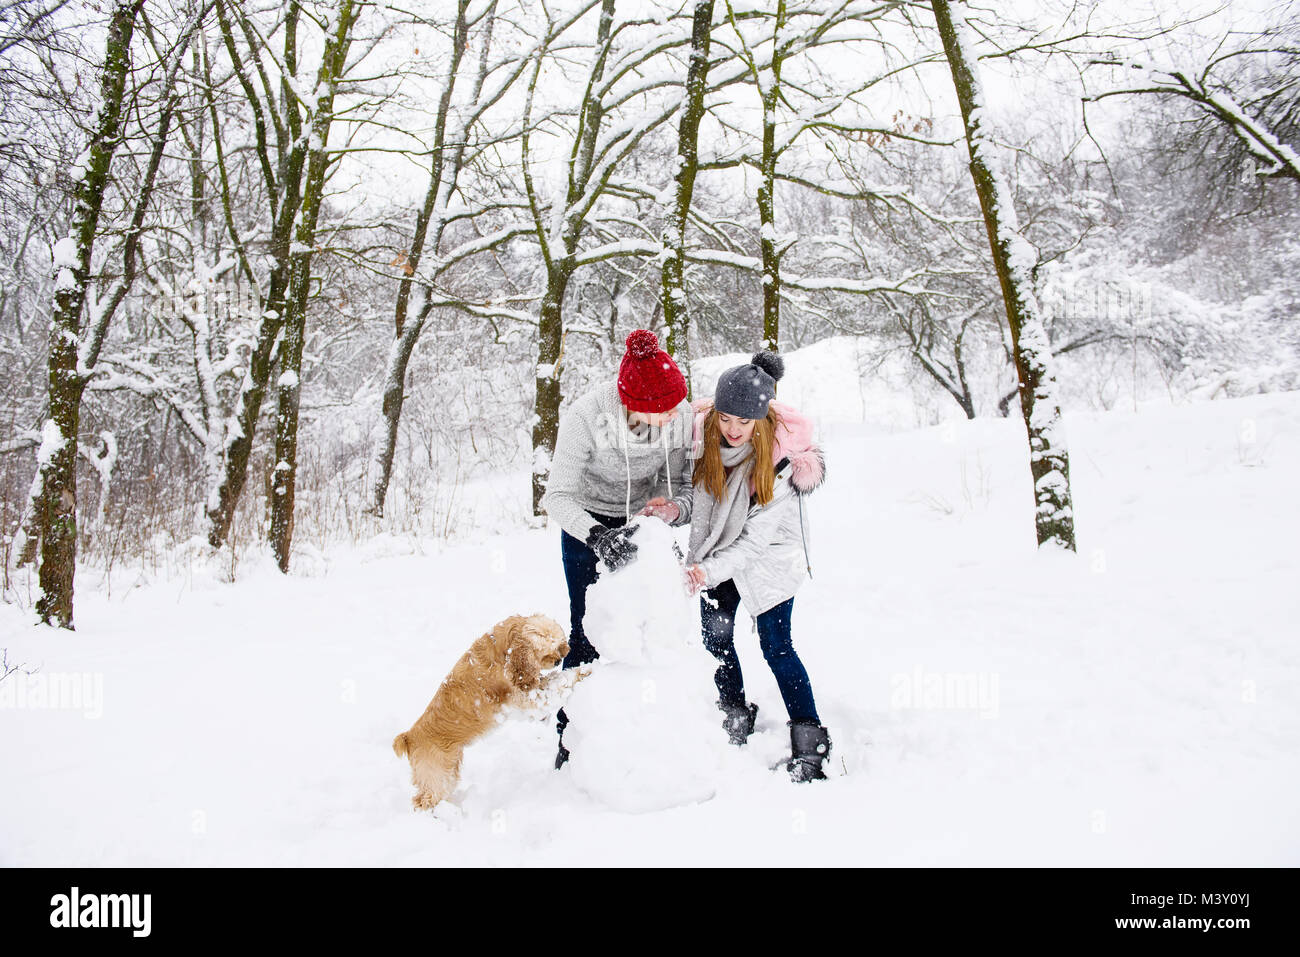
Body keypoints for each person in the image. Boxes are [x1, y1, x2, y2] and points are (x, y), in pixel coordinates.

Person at [666, 349, 831, 782]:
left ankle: (810, 744)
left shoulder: (779, 462)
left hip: (771, 558)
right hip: (720, 550)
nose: (734, 430)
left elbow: (754, 543)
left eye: (744, 421)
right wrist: (671, 511)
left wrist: (705, 571)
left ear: (761, 420)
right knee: (715, 638)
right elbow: (696, 502)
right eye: (726, 419)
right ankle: (735, 712)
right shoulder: (705, 446)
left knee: (777, 646)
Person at [541, 329, 694, 767]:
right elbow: (557, 496)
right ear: (631, 404)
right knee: (586, 630)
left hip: (638, 525)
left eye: (673, 410)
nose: (671, 418)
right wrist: (595, 536)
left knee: (647, 626)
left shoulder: (679, 415)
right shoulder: (585, 417)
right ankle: (570, 738)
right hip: (586, 523)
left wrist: (663, 510)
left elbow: (678, 482)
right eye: (659, 412)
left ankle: (644, 731)